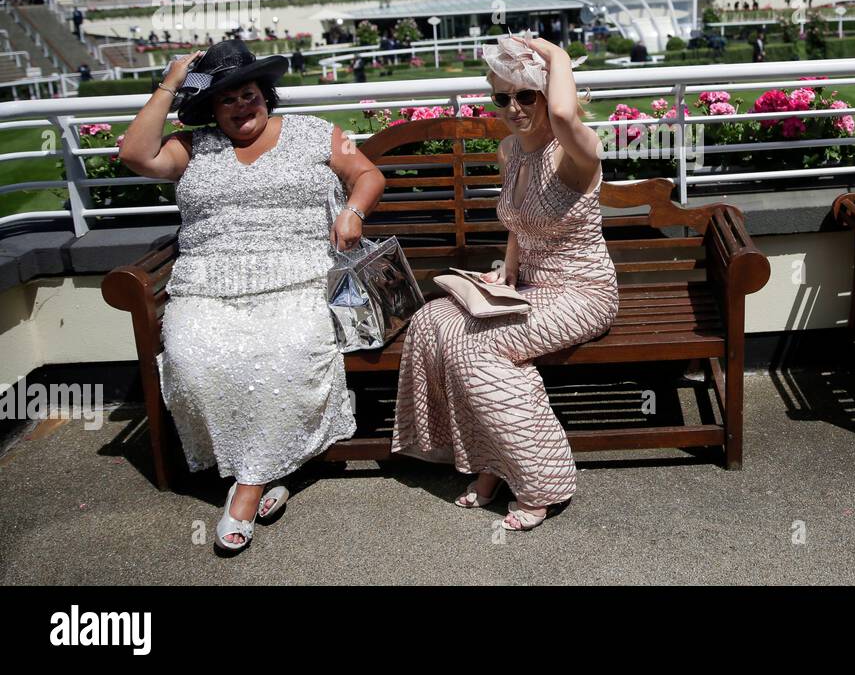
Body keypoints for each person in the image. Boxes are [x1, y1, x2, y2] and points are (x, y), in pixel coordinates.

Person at [117, 41, 384, 554]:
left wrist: (353, 211)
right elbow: (133, 154)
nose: (242, 106)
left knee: (287, 353)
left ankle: (247, 488)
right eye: (227, 99)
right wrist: (171, 80)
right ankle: (267, 472)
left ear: (267, 94)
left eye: (249, 93)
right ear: (211, 109)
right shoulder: (194, 147)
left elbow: (367, 173)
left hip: (300, 274)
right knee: (194, 359)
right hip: (206, 283)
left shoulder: (317, 131)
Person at [392, 34, 616, 531]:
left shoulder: (577, 149)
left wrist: (556, 54)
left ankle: (537, 480)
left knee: (478, 350)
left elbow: (563, 115)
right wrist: (508, 266)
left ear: (546, 91)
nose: (513, 108)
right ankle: (488, 459)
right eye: (501, 97)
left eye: (526, 95)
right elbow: (516, 219)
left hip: (582, 293)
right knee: (432, 321)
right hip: (531, 288)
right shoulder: (510, 150)